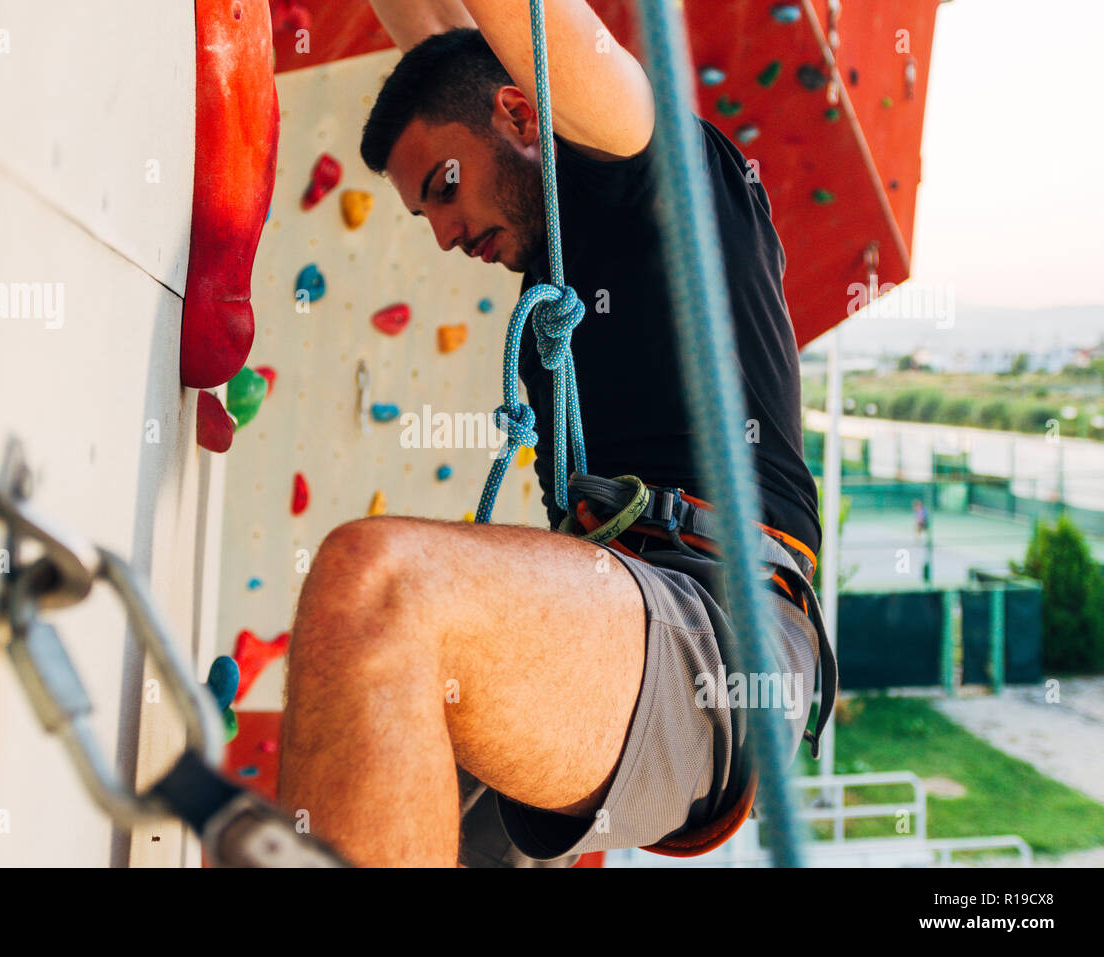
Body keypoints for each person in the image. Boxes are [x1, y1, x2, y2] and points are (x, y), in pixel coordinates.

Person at [277, 0, 831, 867]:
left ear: (523, 115)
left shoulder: (649, 164)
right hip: (626, 625)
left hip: (731, 627)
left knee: (374, 586)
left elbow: (531, 33)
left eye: (444, 192)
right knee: (360, 761)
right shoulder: (551, 238)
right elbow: (441, 37)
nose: (447, 236)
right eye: (425, 218)